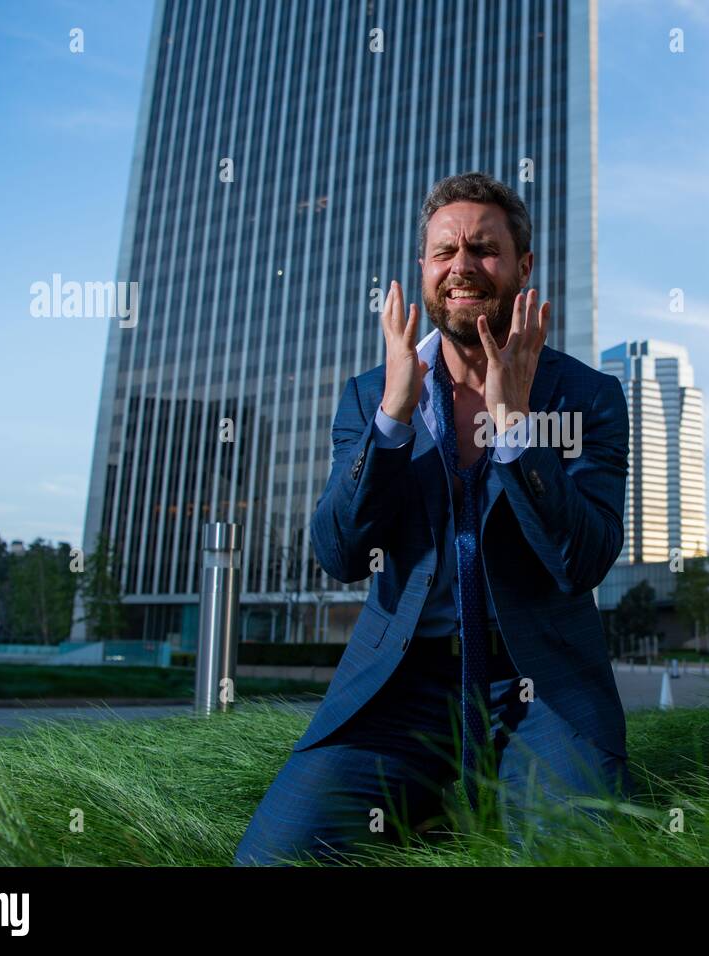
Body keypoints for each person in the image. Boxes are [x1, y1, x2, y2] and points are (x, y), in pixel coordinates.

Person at [234, 172, 632, 865]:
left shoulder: (588, 396)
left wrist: (514, 431)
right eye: (445, 252)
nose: (462, 267)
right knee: (274, 859)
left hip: (541, 689)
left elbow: (583, 560)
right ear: (423, 269)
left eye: (484, 249)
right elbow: (338, 554)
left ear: (523, 266)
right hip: (401, 688)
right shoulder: (370, 395)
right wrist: (391, 416)